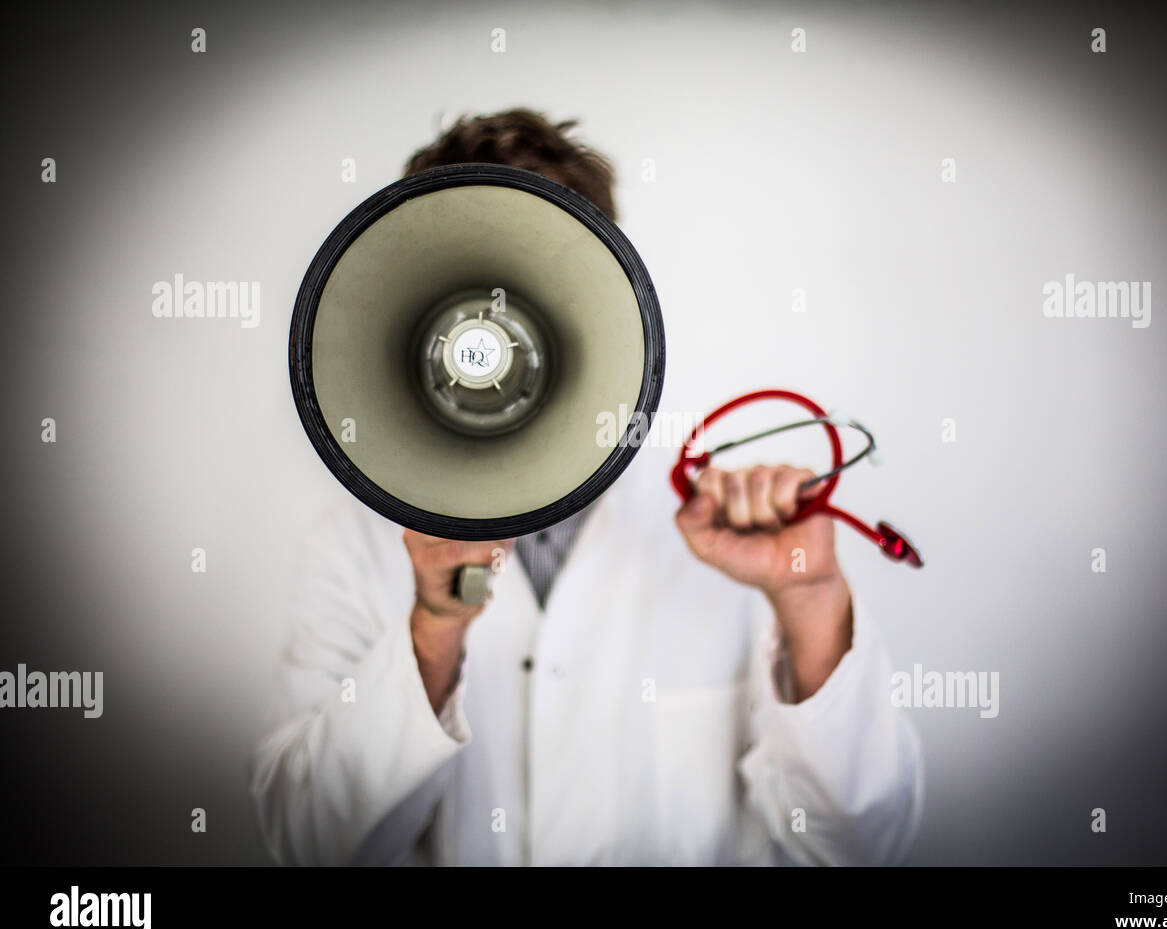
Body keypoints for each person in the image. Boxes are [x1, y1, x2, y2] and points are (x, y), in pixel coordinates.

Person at [250, 108, 922, 866]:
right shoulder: (354, 543)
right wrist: (435, 625)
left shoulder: (728, 534)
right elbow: (311, 846)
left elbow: (860, 846)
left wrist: (807, 594)